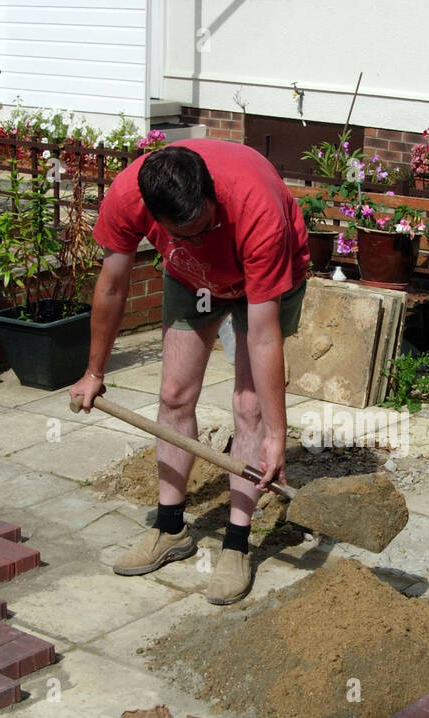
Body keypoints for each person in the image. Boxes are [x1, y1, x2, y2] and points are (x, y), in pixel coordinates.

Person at [68, 140, 309, 605]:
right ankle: (171, 528)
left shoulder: (256, 210)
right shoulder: (127, 195)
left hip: (265, 279)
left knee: (249, 407)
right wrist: (93, 371)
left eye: (205, 226)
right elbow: (113, 285)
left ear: (211, 193)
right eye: (186, 233)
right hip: (191, 279)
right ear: (155, 218)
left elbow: (261, 336)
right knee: (175, 394)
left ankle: (236, 544)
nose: (200, 236)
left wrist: (278, 434)